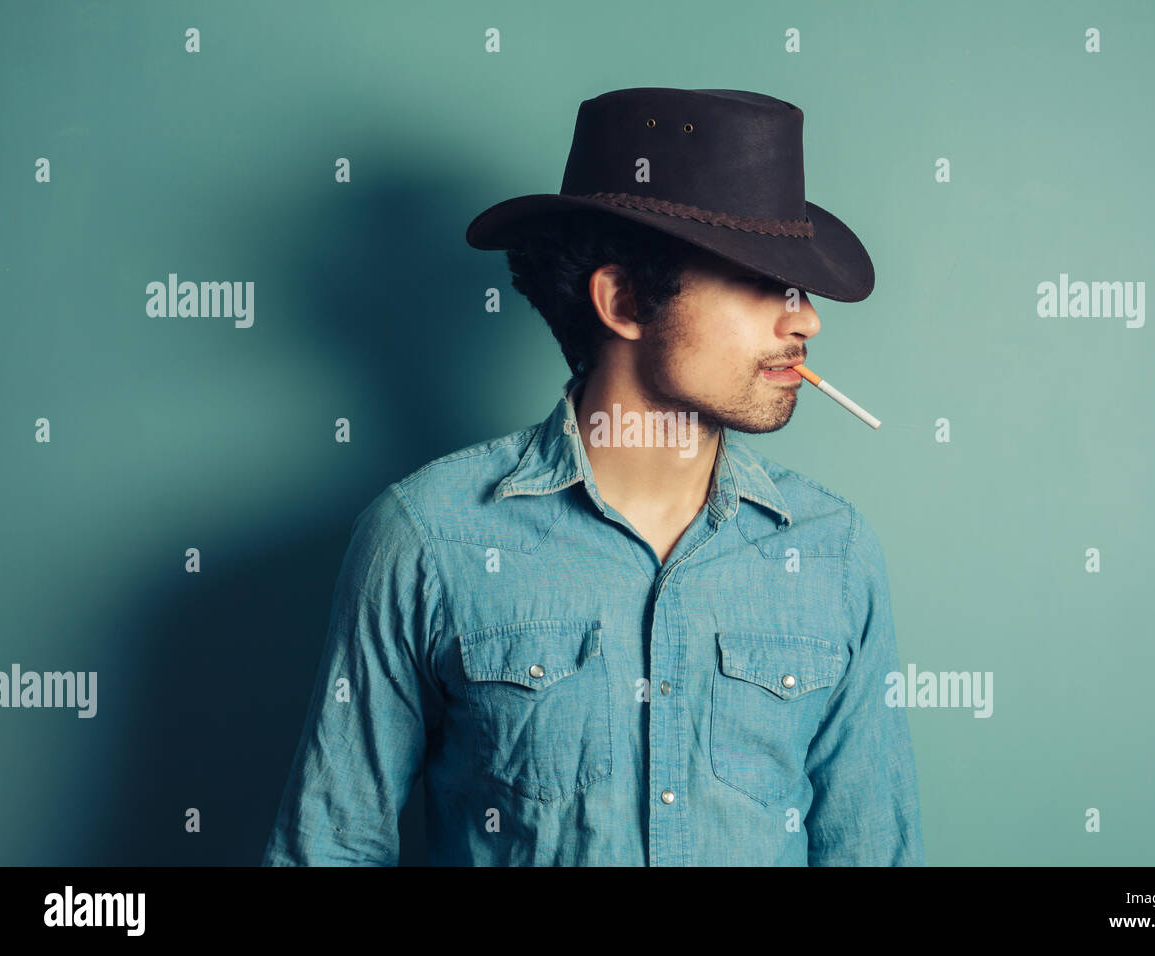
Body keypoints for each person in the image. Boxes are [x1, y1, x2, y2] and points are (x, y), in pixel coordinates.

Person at [262, 88, 925, 866]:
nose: (804, 320)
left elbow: (871, 852)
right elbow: (331, 848)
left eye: (800, 290)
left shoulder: (833, 552)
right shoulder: (427, 537)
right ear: (622, 301)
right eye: (756, 281)